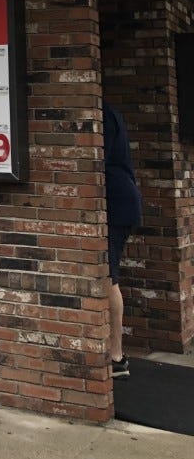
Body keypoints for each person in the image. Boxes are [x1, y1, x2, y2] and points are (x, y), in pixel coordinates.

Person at [103, 102, 143, 378]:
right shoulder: (111, 113)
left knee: (108, 276)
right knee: (109, 274)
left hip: (114, 203)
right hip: (121, 200)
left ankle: (116, 356)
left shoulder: (101, 115)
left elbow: (92, 160)